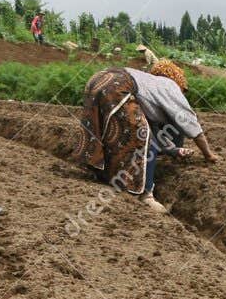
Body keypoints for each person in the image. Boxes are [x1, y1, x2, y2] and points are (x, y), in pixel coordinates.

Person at [75, 59, 217, 214]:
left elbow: (153, 129)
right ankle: (146, 195)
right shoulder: (170, 86)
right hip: (117, 85)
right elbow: (190, 122)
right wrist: (208, 154)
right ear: (179, 83)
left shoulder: (147, 85)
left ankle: (102, 174)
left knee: (107, 133)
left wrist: (174, 150)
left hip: (98, 79)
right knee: (143, 138)